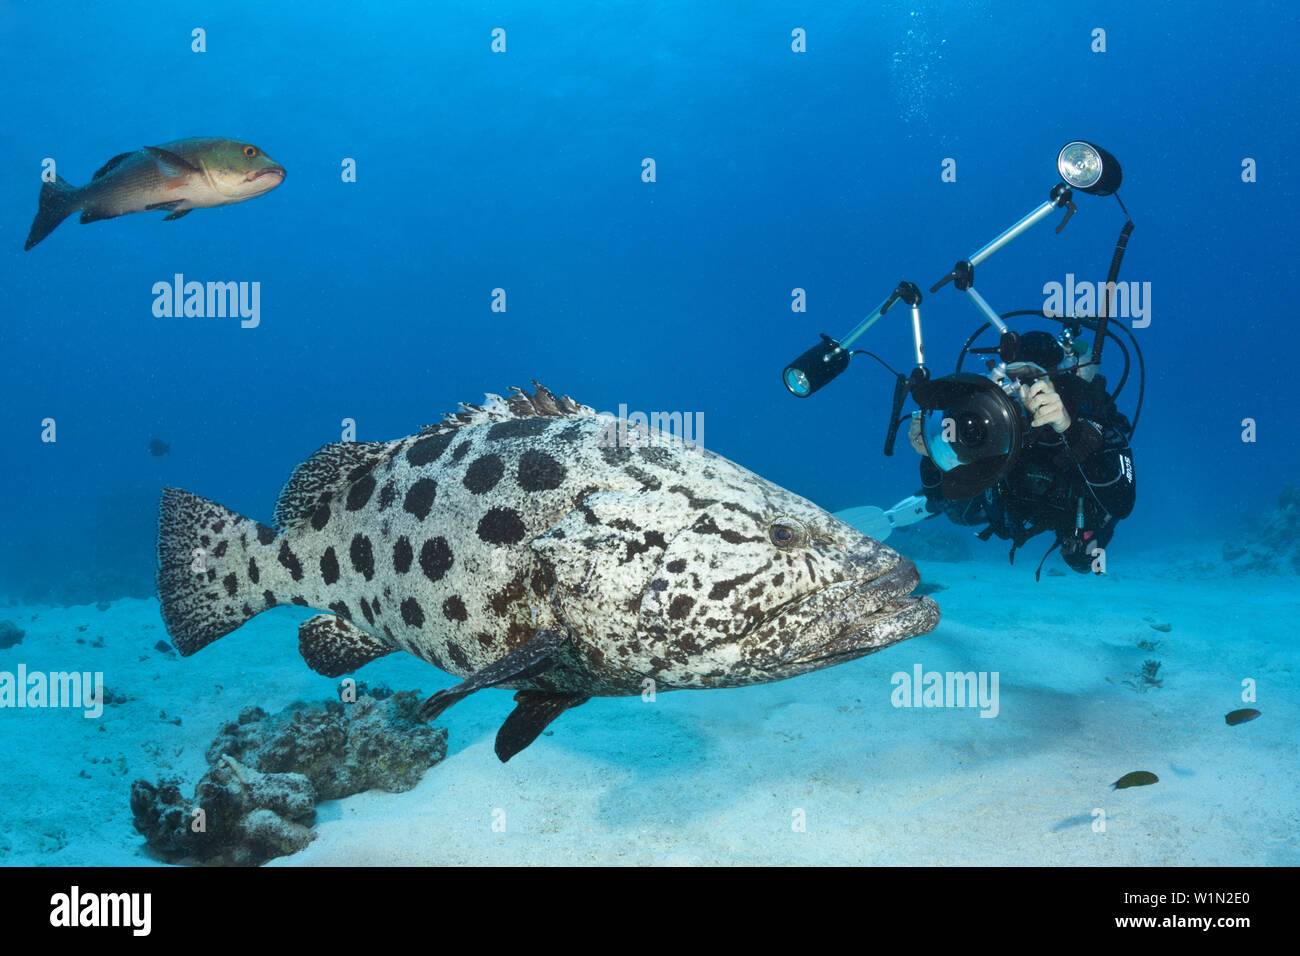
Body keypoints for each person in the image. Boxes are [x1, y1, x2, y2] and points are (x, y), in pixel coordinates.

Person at [892, 331, 1136, 575]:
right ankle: (920, 508)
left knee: (1083, 559)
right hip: (1010, 506)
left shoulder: (1087, 417)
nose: (1020, 390)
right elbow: (938, 493)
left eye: (1030, 378)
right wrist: (932, 452)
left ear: (1056, 382)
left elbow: (1122, 503)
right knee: (958, 512)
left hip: (1070, 509)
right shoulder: (990, 418)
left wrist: (1068, 429)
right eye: (1012, 379)